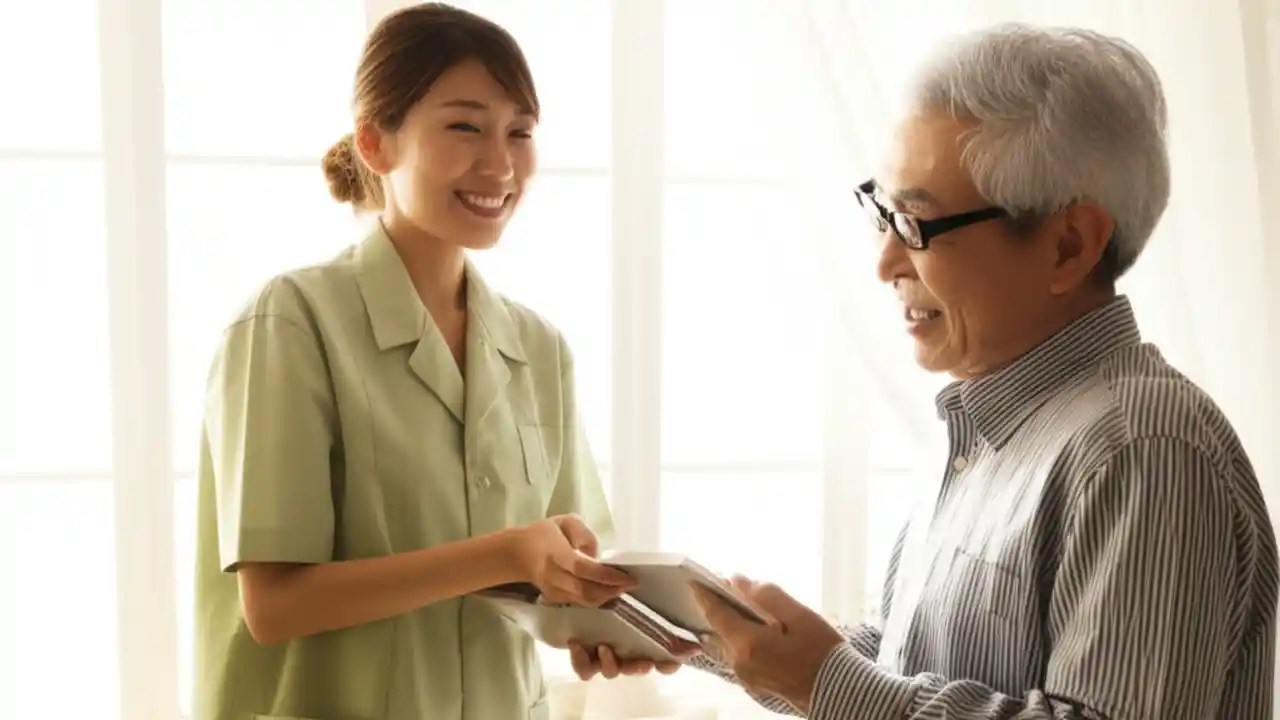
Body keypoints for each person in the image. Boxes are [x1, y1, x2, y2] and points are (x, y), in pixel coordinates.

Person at [574, 23, 1280, 719]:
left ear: (1069, 246)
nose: (884, 262)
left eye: (916, 224)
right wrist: (689, 633)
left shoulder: (1144, 448)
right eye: (882, 212)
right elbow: (903, 668)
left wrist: (823, 684)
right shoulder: (984, 432)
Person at [192, 5, 640, 719]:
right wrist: (505, 555)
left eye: (519, 132)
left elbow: (552, 567)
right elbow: (273, 607)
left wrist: (595, 625)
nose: (499, 163)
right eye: (465, 126)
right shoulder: (289, 324)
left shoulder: (539, 349)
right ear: (375, 142)